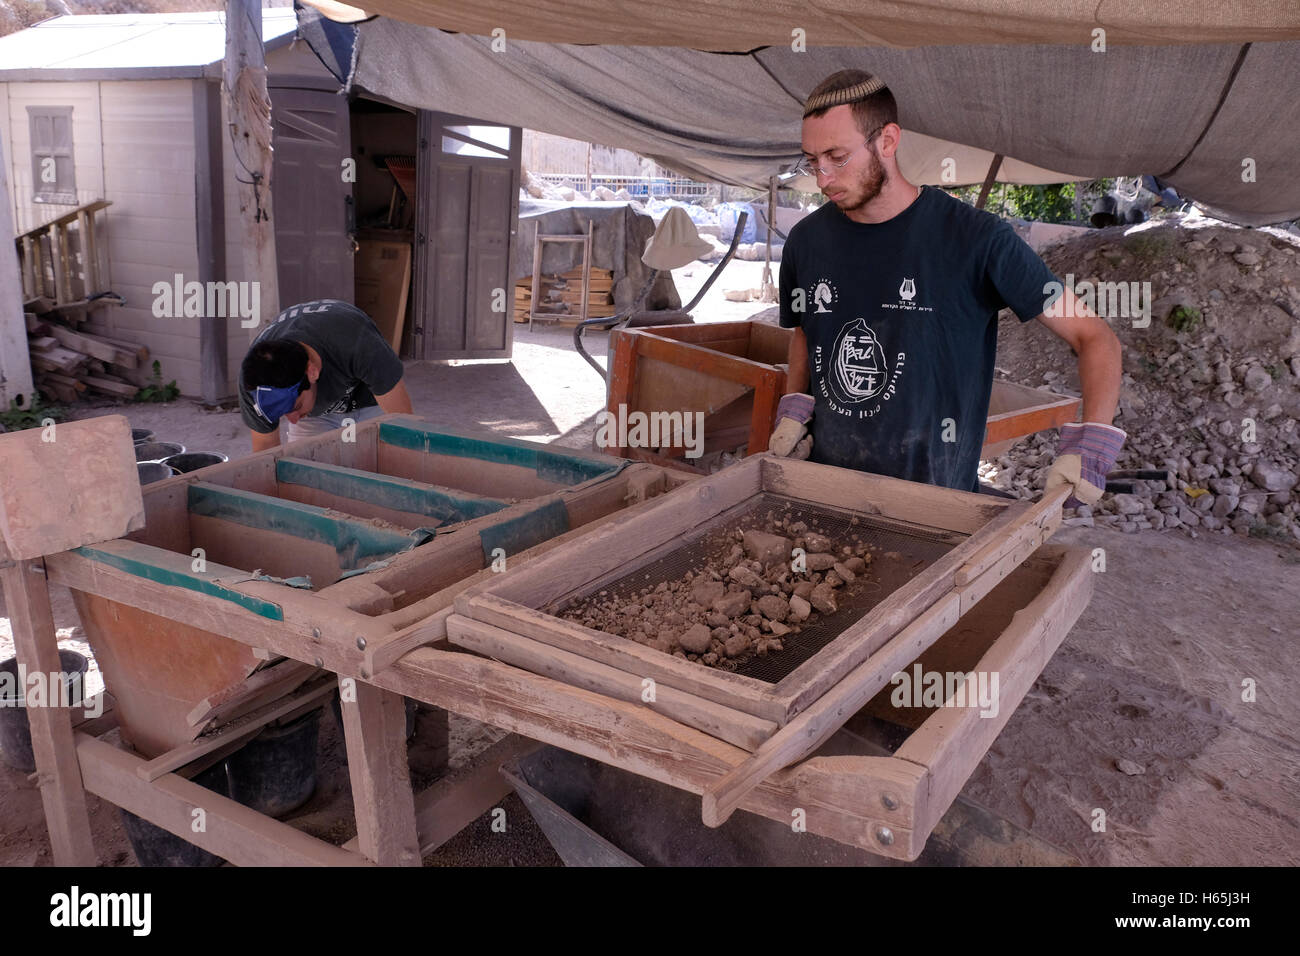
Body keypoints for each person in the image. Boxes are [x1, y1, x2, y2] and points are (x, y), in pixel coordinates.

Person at [772, 70, 1124, 506]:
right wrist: (795, 406)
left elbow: (1094, 337)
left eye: (837, 157)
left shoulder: (977, 240)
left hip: (936, 503)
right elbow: (806, 330)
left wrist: (1090, 446)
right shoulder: (806, 242)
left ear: (887, 140)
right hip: (826, 488)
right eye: (812, 160)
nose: (822, 178)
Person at [238, 299, 413, 451]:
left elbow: (406, 426)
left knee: (389, 462)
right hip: (317, 415)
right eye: (283, 413)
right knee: (302, 473)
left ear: (311, 371)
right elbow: (265, 452)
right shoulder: (256, 384)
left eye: (295, 407)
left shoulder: (357, 343)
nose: (292, 421)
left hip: (368, 400)